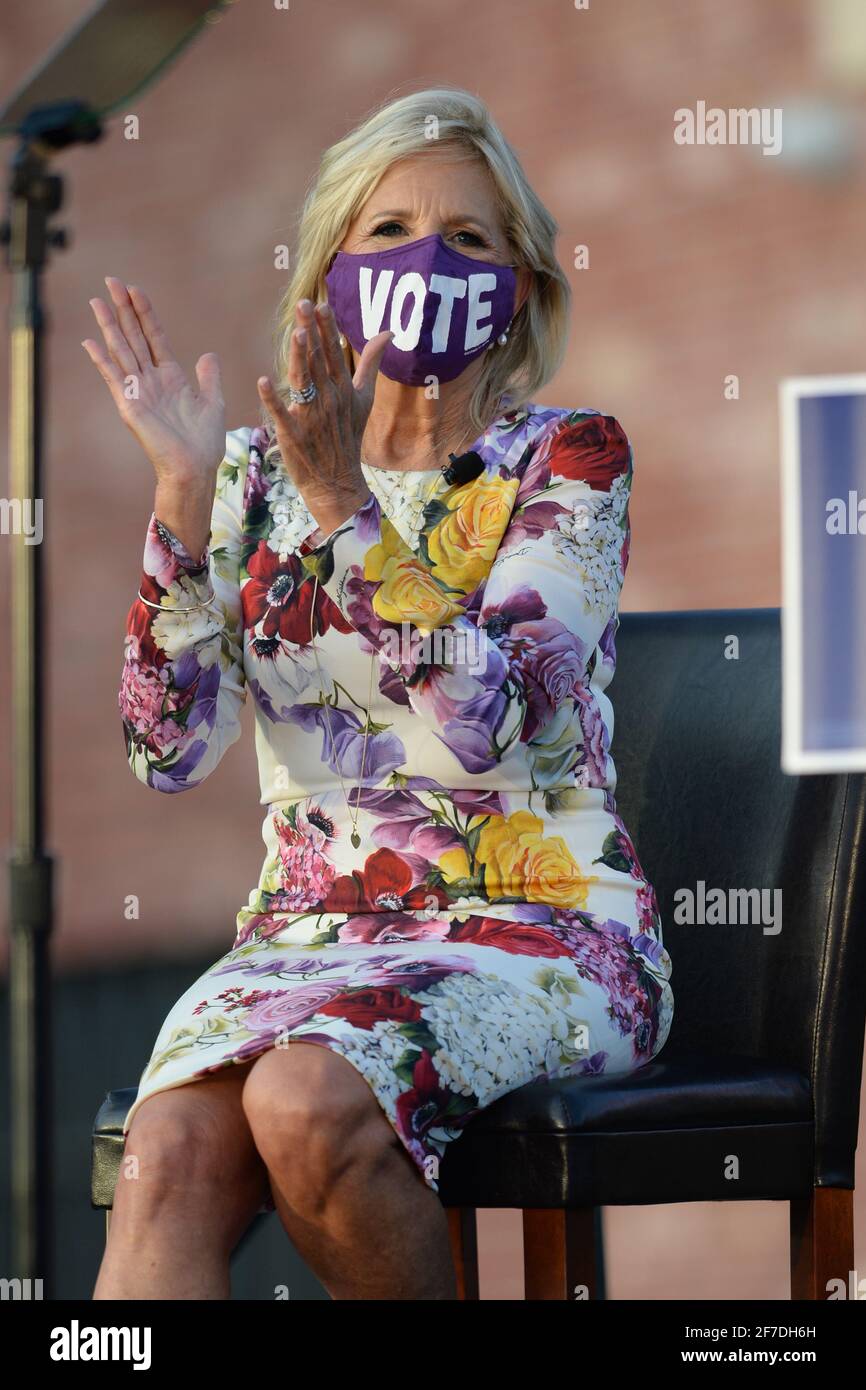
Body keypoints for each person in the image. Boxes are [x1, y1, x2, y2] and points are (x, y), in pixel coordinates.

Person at [83, 85, 673, 1301]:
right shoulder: (251, 474)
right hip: (303, 935)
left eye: (467, 238)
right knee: (167, 1152)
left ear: (518, 281)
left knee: (302, 1098)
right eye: (389, 229)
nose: (427, 260)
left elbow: (485, 724)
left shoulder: (565, 460)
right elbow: (167, 751)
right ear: (330, 268)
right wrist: (184, 501)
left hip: (537, 924)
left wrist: (344, 504)